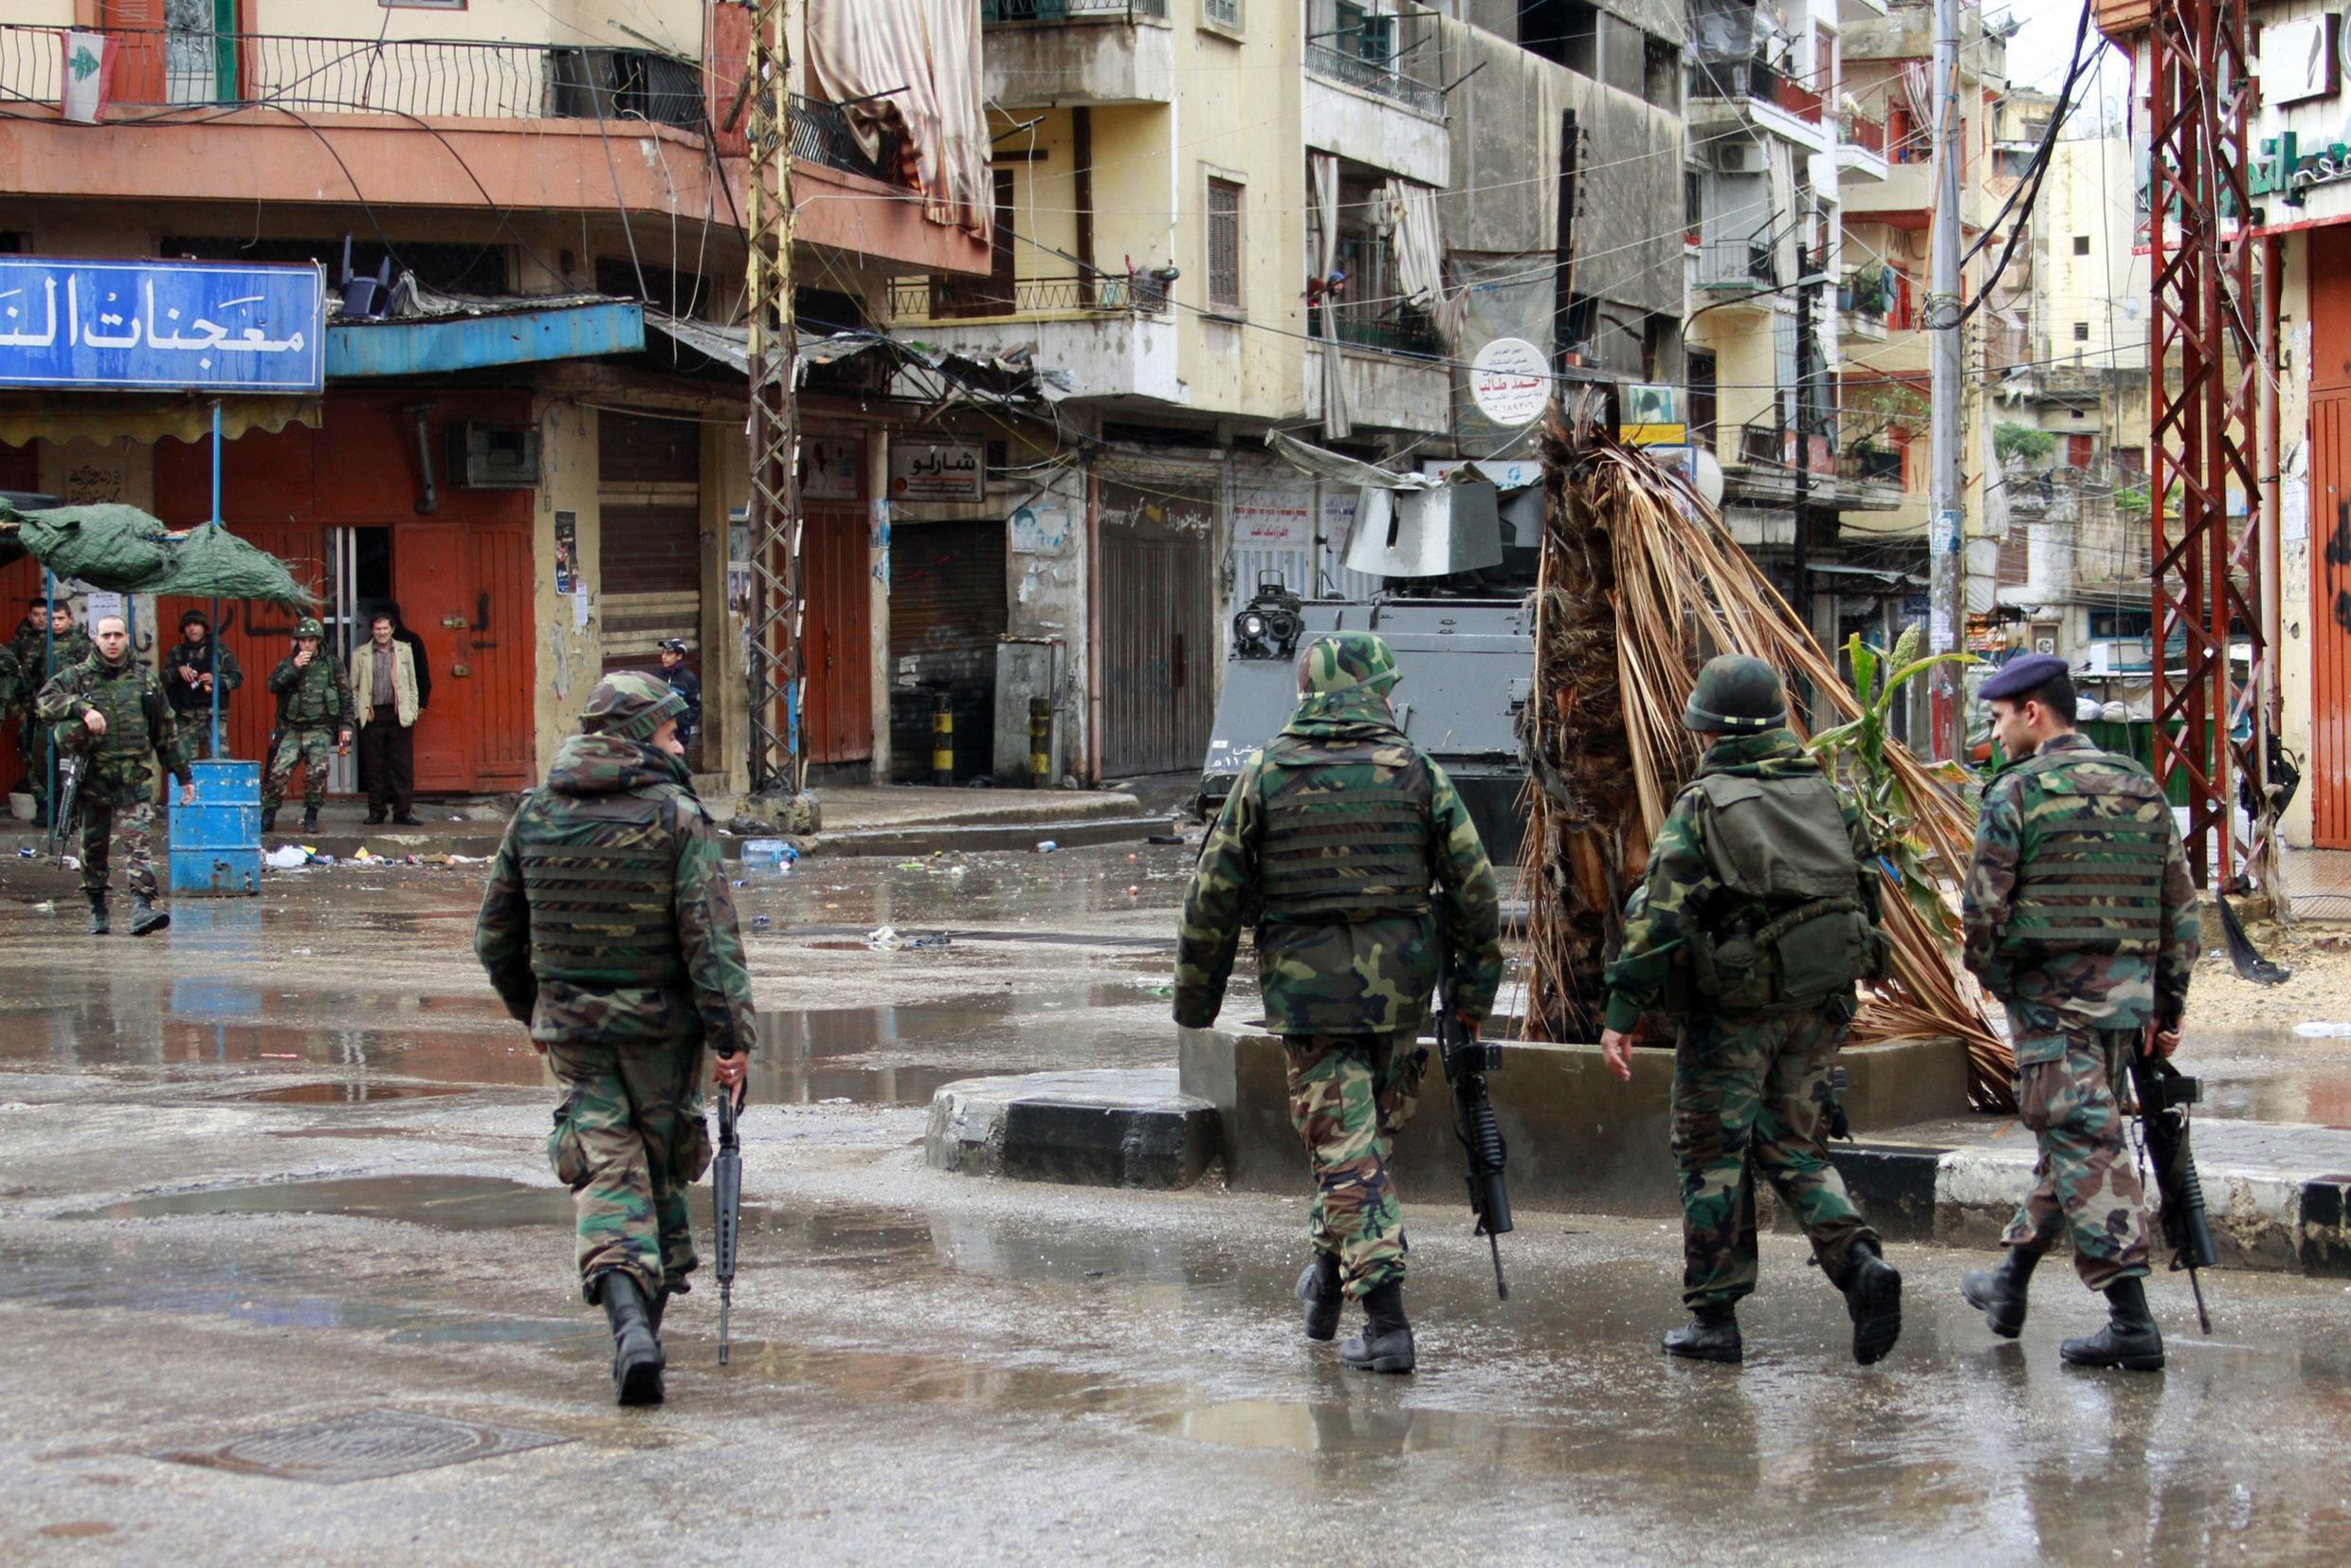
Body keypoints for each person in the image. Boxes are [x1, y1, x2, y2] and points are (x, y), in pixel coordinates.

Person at [1175, 631, 1503, 1377]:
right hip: (1399, 994)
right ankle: (1325, 1283)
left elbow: (1212, 897)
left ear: (1309, 695)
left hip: (1310, 994)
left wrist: (1196, 1003)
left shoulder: (1266, 773)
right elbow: (1476, 890)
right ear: (1376, 693)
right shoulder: (1415, 771)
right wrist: (1473, 996)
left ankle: (1386, 1323)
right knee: (1358, 1142)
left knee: (1346, 1147)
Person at [1598, 654, 1902, 1368]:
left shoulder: (1705, 806)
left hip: (1733, 1012)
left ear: (1710, 732)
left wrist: (1621, 1011)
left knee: (1711, 1154)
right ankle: (1859, 1263)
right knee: (1796, 1146)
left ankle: (1714, 1317)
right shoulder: (1832, 796)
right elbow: (1866, 899)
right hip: (1819, 1003)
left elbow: (1661, 919)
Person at [475, 671, 755, 1407]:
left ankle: (630, 1332)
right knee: (657, 1179)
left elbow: (495, 937)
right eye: (670, 730)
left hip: (573, 1030)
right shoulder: (675, 818)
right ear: (637, 736)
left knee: (606, 1173)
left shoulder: (535, 813)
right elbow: (711, 940)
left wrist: (533, 1011)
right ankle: (642, 1338)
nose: (680, 742)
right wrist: (731, 1038)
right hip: (661, 1036)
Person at [1959, 653, 2198, 1372]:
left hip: (2052, 1007)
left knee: (2085, 1143)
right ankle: (2009, 1282)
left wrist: (2004, 981)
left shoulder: (2017, 792)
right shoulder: (2141, 786)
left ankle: (2131, 1322)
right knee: (2077, 1135)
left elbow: (1981, 913)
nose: (1996, 736)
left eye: (1999, 719)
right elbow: (2180, 913)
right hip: (2125, 1009)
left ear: (2034, 712)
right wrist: (2167, 1005)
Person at [33, 614, 196, 936]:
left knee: (138, 844)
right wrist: (82, 709)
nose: (111, 641)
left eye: (117, 635)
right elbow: (43, 703)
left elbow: (165, 733)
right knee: (93, 848)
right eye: (106, 635)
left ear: (125, 639)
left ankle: (141, 907)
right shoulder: (77, 678)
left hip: (133, 779)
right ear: (96, 638)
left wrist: (183, 775)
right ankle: (98, 907)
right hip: (93, 780)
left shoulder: (145, 682)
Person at [261, 616, 353, 835]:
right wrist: (294, 668)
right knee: (279, 772)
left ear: (319, 640)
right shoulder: (288, 662)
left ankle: (311, 815)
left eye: (311, 640)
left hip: (321, 727)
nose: (307, 645)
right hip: (293, 727)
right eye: (303, 640)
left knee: (317, 773)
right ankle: (268, 816)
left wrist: (346, 725)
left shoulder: (332, 663)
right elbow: (273, 685)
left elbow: (345, 694)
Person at [12, 599, 93, 823]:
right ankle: (48, 807)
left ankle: (70, 812)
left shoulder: (81, 644)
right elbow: (27, 678)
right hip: (44, 713)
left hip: (72, 713)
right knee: (40, 761)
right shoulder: (38, 643)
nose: (55, 623)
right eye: (52, 619)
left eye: (60, 619)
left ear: (70, 619)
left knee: (70, 764)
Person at [349, 611, 422, 825]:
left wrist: (412, 710)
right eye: (377, 629)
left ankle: (403, 812)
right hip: (372, 715)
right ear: (372, 631)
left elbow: (412, 684)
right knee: (374, 766)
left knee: (402, 766)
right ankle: (376, 811)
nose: (381, 633)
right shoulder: (360, 654)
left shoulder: (404, 650)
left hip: (399, 713)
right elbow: (353, 687)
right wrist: (358, 711)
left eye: (385, 628)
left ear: (392, 629)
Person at [163, 610, 244, 761]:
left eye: (196, 624)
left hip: (212, 715)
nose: (192, 628)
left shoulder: (219, 651)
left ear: (204, 627)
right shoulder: (177, 653)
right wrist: (178, 670)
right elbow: (163, 679)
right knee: (183, 763)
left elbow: (237, 677)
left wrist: (216, 679)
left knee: (220, 761)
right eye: (187, 625)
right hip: (185, 716)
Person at [657, 638, 702, 757]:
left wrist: (676, 723)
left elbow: (694, 709)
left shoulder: (689, 679)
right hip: (658, 739)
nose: (664, 657)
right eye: (663, 653)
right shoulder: (656, 676)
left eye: (669, 653)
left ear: (679, 656)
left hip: (680, 739)